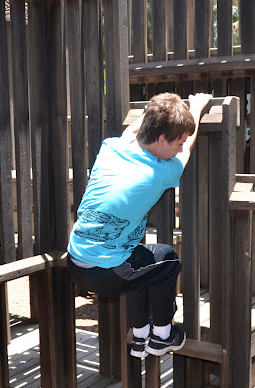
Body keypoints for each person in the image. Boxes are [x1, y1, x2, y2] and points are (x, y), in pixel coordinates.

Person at [67, 92, 212, 358]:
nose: (180, 148)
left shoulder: (112, 148)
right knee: (167, 260)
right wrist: (196, 109)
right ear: (162, 139)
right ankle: (164, 336)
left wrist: (159, 109)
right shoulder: (158, 173)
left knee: (141, 262)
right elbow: (188, 150)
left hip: (76, 260)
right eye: (177, 142)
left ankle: (141, 335)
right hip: (103, 271)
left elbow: (137, 127)